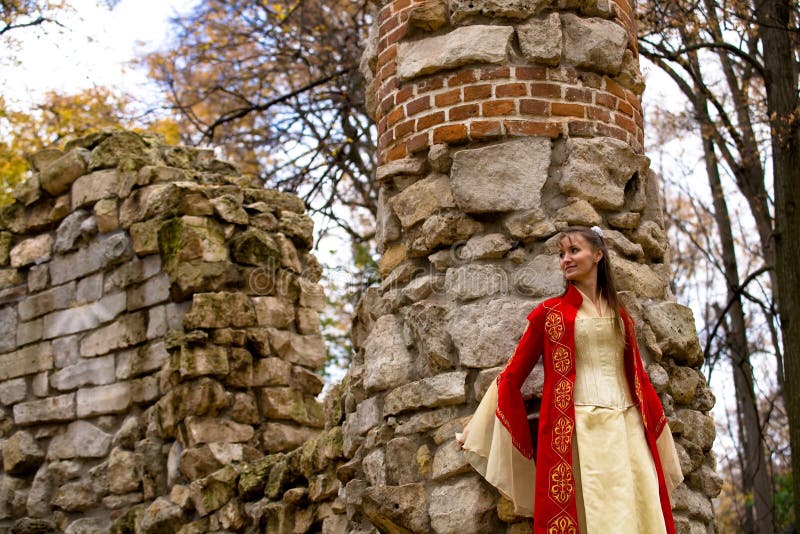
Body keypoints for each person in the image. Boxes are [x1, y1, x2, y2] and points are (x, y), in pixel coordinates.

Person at [457, 225, 683, 534]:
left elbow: (639, 379)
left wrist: (657, 433)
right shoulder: (549, 314)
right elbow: (512, 374)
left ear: (598, 255)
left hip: (628, 427)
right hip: (580, 428)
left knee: (640, 512)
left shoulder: (622, 316)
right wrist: (478, 427)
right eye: (562, 254)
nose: (566, 259)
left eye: (574, 251)